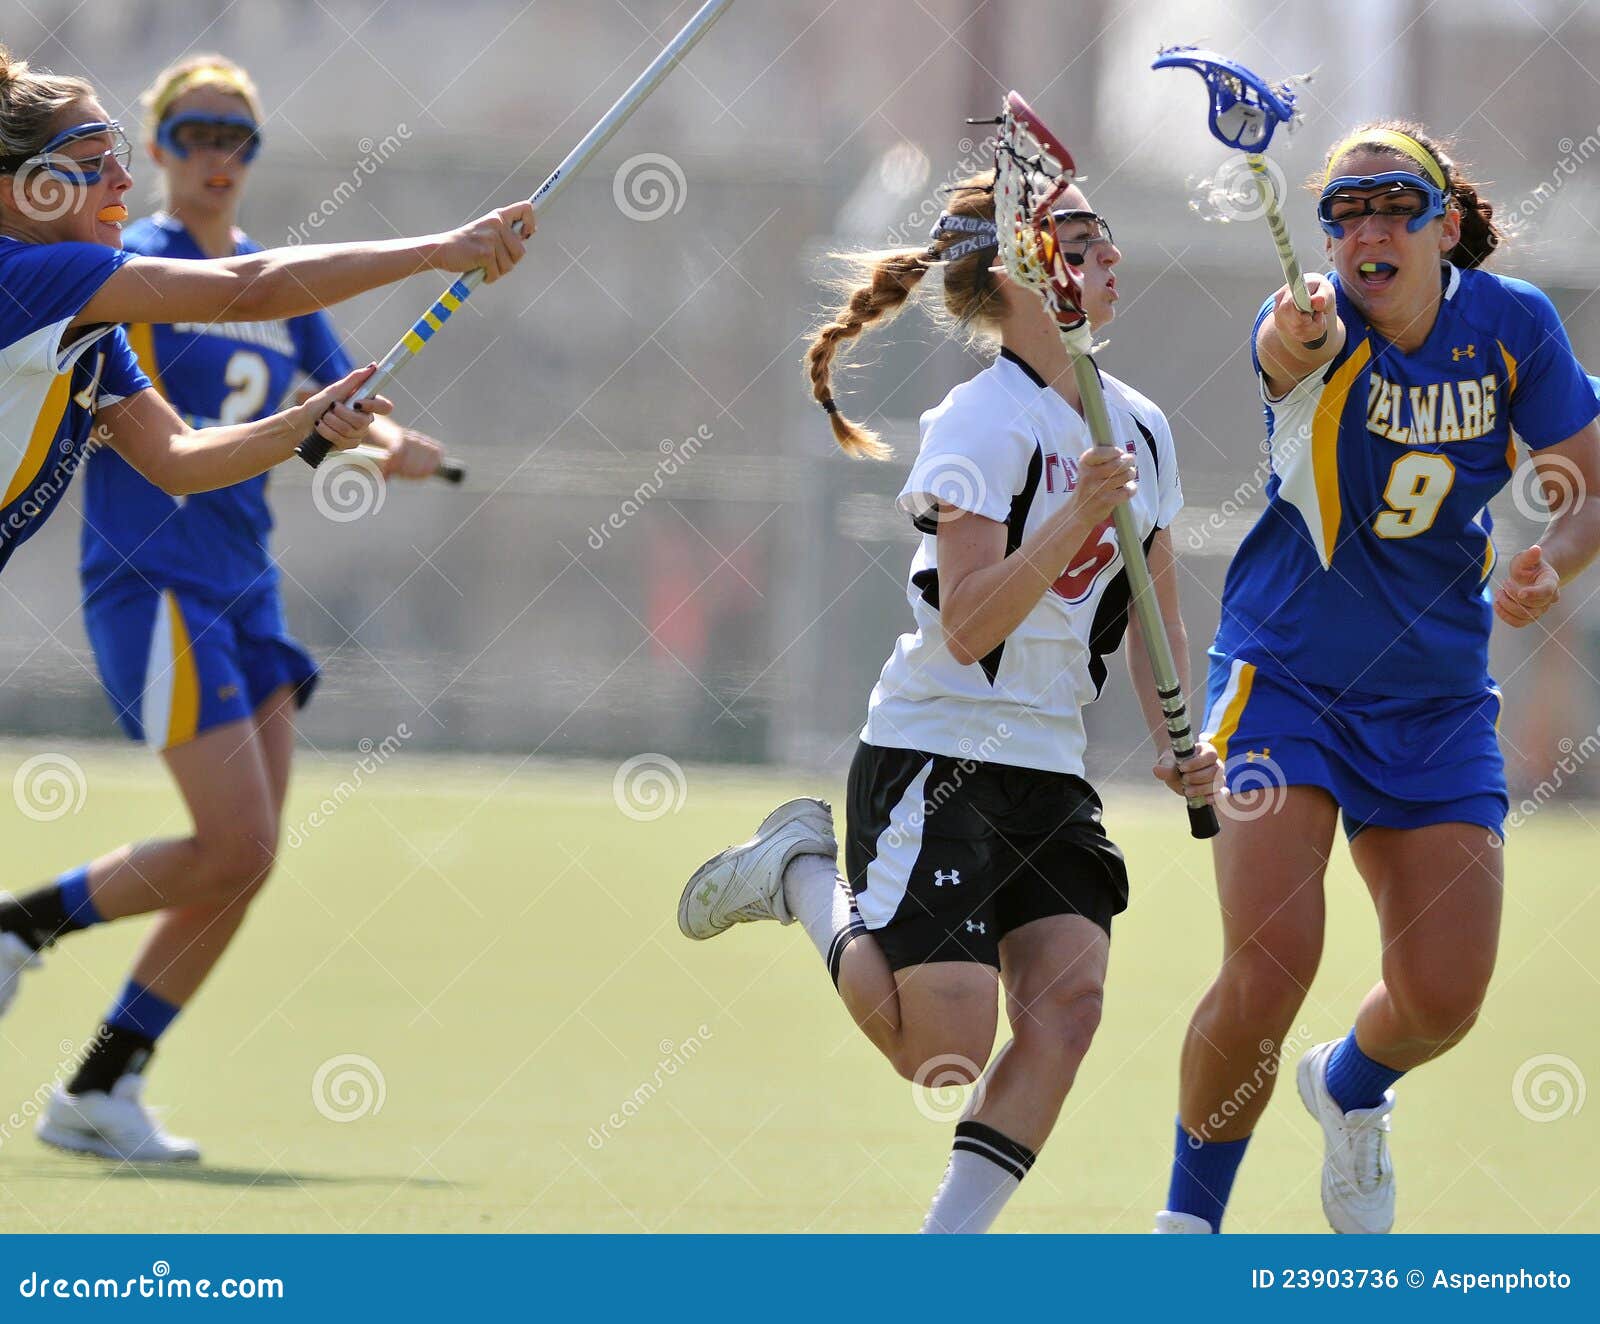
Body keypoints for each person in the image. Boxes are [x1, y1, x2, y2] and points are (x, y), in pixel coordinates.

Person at [0, 45, 533, 1159]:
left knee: (246, 848)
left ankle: (94, 1072)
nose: (121, 182)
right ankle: (24, 931)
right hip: (155, 588)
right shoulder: (37, 276)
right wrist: (441, 249)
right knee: (233, 837)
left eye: (113, 158)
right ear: (25, 189)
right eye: (94, 160)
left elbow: (187, 458)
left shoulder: (88, 332)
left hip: (240, 580)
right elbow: (251, 290)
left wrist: (315, 430)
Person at [676, 170, 1218, 1233]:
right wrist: (1075, 516)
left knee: (1069, 1004)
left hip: (1049, 761)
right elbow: (969, 623)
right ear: (1021, 268)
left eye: (1105, 235)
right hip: (939, 749)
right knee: (943, 1052)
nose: (1109, 254)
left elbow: (1155, 601)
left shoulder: (1140, 427)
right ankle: (798, 872)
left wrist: (1177, 740)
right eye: (1081, 237)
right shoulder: (977, 420)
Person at [1154, 123, 1600, 1235]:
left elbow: (1587, 480)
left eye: (1392, 205)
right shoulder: (1313, 321)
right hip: (1285, 678)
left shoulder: (1513, 328)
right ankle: (1181, 1234)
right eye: (1343, 211)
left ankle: (1349, 1087)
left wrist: (1561, 560)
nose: (1365, 229)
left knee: (1444, 997)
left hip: (1436, 697)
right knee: (1269, 965)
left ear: (1445, 224)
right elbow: (1278, 349)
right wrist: (1293, 328)